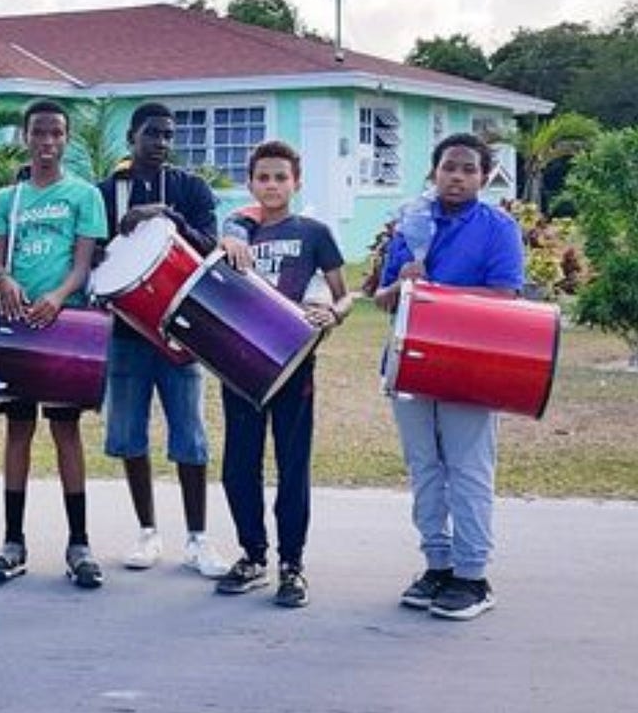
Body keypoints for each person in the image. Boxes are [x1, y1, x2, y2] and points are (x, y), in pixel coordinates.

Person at [373, 133, 524, 621]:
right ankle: (437, 564)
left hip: (469, 364)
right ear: (433, 172)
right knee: (424, 467)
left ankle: (472, 576)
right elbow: (381, 299)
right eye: (448, 168)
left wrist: (437, 296)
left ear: (483, 177)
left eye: (468, 169)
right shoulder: (412, 224)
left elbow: (506, 298)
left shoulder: (498, 228)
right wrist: (404, 282)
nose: (456, 177)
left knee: (468, 468)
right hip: (410, 361)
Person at [216, 139, 352, 608]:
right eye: (263, 177)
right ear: (250, 182)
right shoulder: (237, 232)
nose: (272, 185)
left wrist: (333, 314)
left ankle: (292, 565)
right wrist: (229, 235)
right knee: (238, 466)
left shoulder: (313, 232)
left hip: (294, 363)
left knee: (292, 467)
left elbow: (345, 294)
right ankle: (252, 556)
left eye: (281, 177)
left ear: (296, 182)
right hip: (240, 365)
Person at [96, 102, 229, 578]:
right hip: (126, 334)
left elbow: (209, 247)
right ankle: (147, 532)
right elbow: (94, 257)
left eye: (169, 135)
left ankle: (197, 537)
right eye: (152, 133)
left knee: (190, 437)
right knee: (129, 435)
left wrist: (166, 215)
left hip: (180, 331)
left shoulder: (190, 188)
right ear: (131, 137)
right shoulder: (107, 192)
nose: (162, 142)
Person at [0, 99, 109, 589]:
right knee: (17, 431)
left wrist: (57, 296)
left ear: (67, 138)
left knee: (65, 432)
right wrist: (4, 280)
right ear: (25, 137)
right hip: (16, 324)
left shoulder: (83, 195)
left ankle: (80, 543)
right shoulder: (9, 200)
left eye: (56, 133)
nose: (47, 142)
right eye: (39, 133)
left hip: (63, 323)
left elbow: (83, 264)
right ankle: (13, 542)